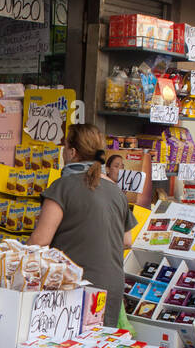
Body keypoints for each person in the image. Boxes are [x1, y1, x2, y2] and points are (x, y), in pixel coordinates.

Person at [30, 125, 135, 326]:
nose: (63, 151)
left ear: (72, 152)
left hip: (77, 287)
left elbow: (40, 241)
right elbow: (127, 240)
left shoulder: (62, 187)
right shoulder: (115, 191)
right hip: (111, 285)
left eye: (65, 145)